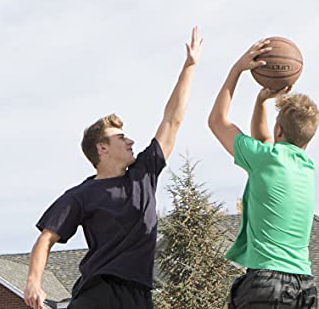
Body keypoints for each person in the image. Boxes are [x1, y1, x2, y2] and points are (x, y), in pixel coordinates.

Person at [23, 27, 202, 309]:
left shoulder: (143, 174)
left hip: (139, 295)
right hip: (99, 293)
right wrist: (34, 281)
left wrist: (189, 66)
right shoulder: (81, 195)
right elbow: (46, 238)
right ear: (102, 148)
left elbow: (172, 120)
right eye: (121, 137)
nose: (130, 140)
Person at [208, 39, 319, 308]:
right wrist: (261, 101)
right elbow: (265, 140)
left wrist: (237, 69)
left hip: (268, 285)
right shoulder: (305, 167)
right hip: (304, 286)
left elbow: (217, 121)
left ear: (279, 131)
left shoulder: (266, 159)